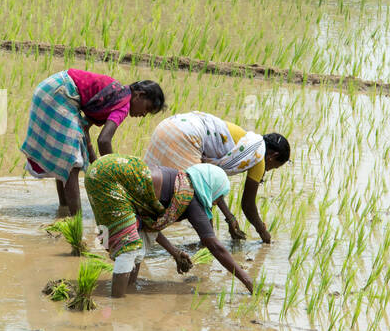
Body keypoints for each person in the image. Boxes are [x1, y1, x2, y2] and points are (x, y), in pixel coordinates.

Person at [84, 155, 253, 298]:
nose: (216, 202)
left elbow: (151, 227)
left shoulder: (178, 182)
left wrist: (175, 253)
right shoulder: (190, 199)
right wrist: (246, 279)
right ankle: (117, 304)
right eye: (218, 197)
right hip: (107, 177)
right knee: (129, 248)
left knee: (139, 239)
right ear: (210, 188)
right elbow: (215, 246)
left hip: (101, 169)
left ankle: (128, 289)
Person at [21, 69, 165, 218]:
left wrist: (95, 163)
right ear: (139, 95)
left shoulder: (116, 93)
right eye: (147, 109)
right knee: (72, 162)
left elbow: (84, 129)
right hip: (60, 94)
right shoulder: (124, 104)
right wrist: (115, 174)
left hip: (49, 88)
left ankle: (64, 211)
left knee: (65, 160)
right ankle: (76, 221)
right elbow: (104, 140)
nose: (143, 115)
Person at [144, 111, 291, 243]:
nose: (268, 170)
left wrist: (230, 217)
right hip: (187, 136)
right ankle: (208, 245)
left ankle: (141, 230)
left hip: (169, 126)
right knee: (190, 197)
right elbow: (247, 205)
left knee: (159, 189)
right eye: (274, 167)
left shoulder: (245, 141)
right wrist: (263, 233)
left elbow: (209, 185)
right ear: (273, 156)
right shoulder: (258, 156)